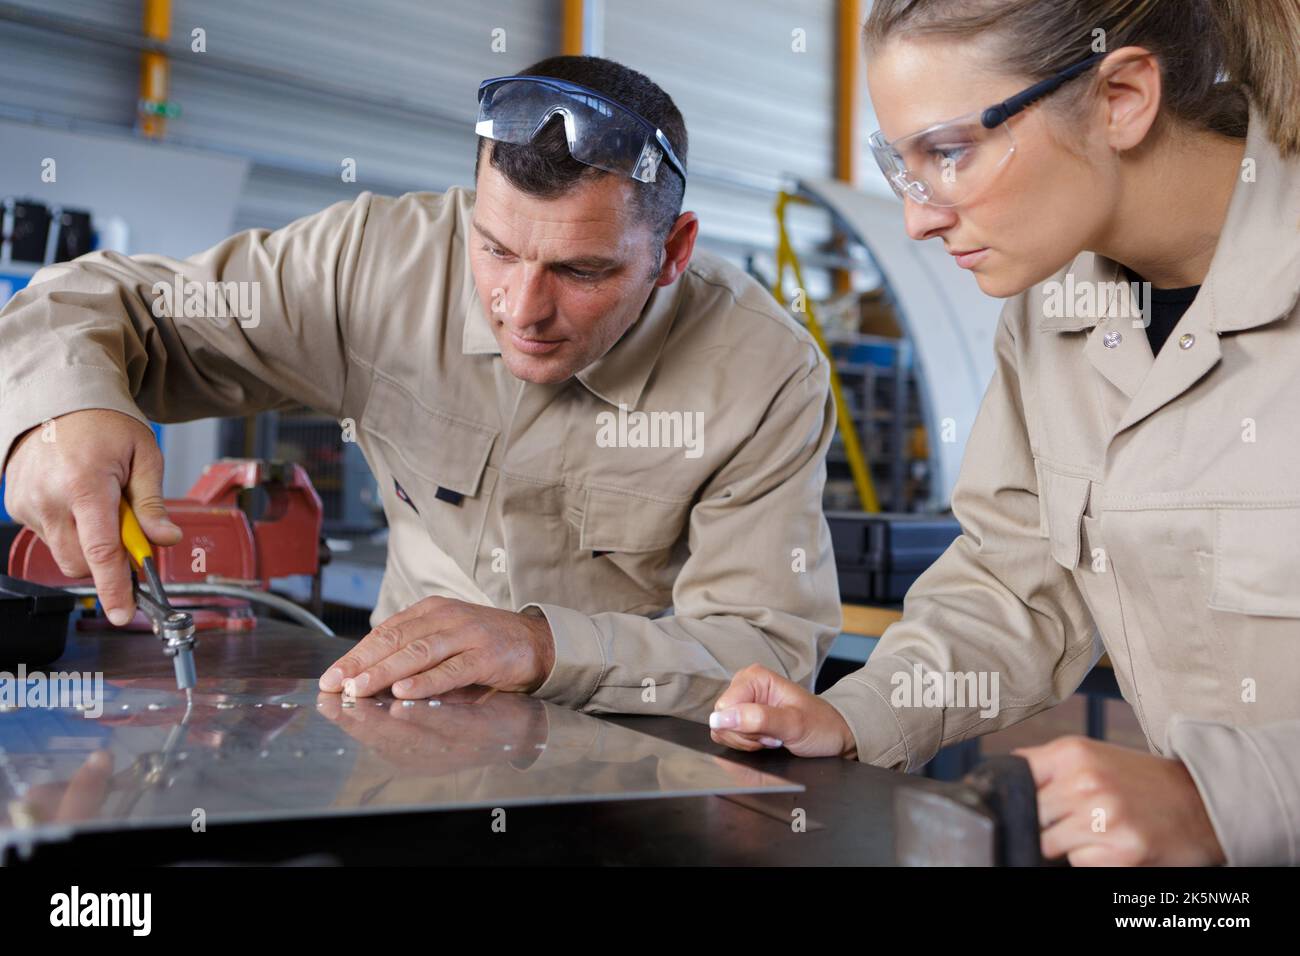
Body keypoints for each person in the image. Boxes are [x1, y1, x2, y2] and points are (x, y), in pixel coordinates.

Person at [0, 56, 841, 722]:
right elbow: (95, 303)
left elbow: (764, 648)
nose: (525, 309)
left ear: (675, 249)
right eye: (498, 250)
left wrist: (543, 648)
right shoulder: (373, 266)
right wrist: (59, 410)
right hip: (395, 740)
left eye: (582, 270)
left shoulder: (763, 373)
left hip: (639, 770)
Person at [709, 0, 1300, 866]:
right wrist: (857, 715)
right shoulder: (1053, 310)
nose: (917, 218)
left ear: (1123, 97)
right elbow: (1015, 581)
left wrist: (1223, 798)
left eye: (950, 153)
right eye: (901, 165)